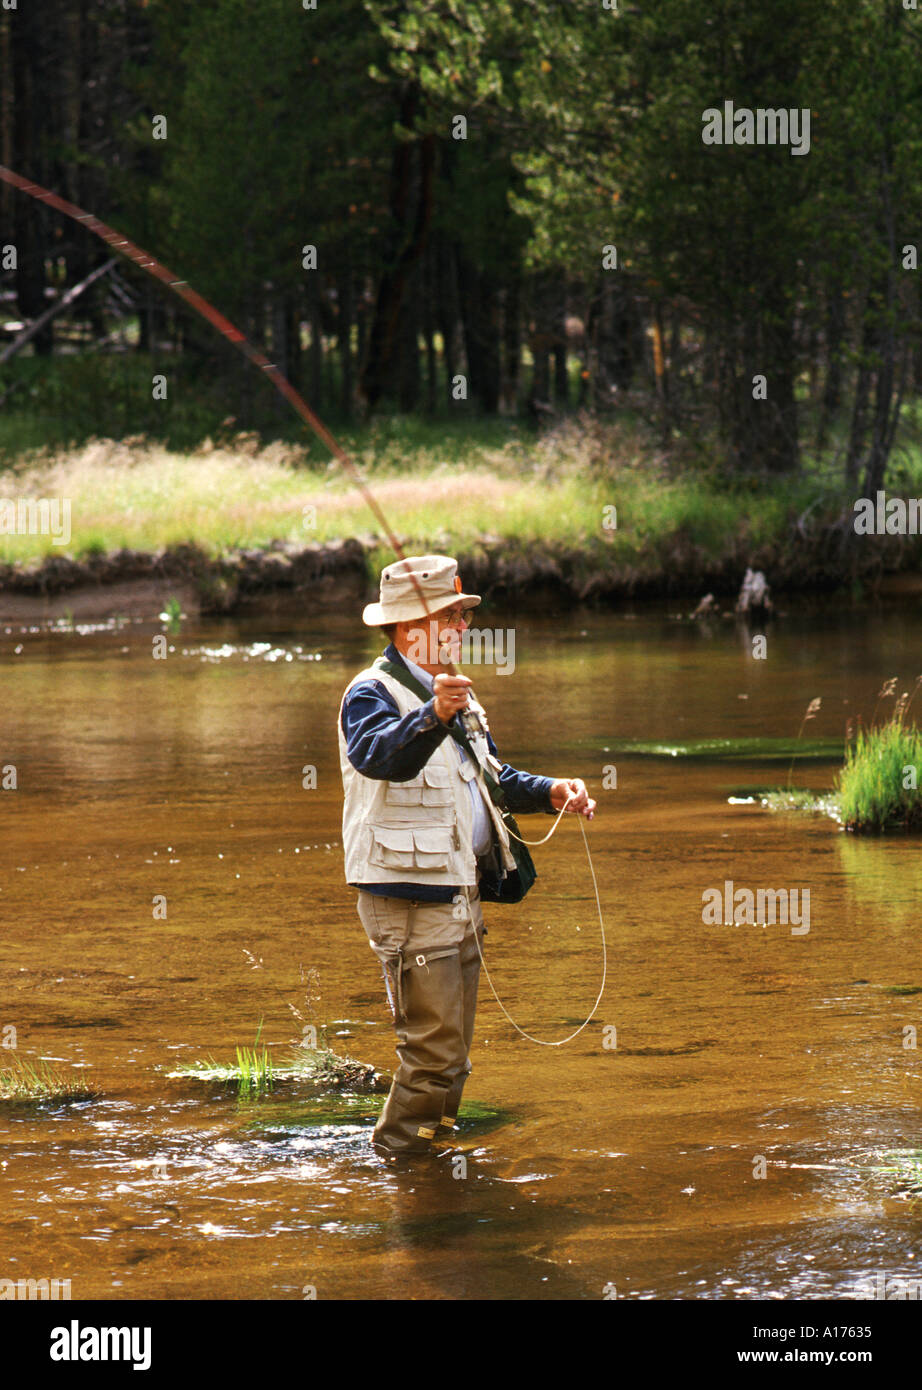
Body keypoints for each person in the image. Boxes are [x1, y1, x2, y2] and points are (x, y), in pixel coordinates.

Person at [337, 554, 595, 1156]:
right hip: (405, 897)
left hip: (457, 892)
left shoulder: (457, 694)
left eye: (461, 616)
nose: (462, 628)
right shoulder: (370, 693)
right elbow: (379, 757)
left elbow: (492, 776)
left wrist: (551, 791)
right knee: (432, 1054)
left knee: (455, 1058)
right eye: (450, 616)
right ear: (408, 628)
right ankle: (400, 1167)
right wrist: (432, 714)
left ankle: (434, 1167)